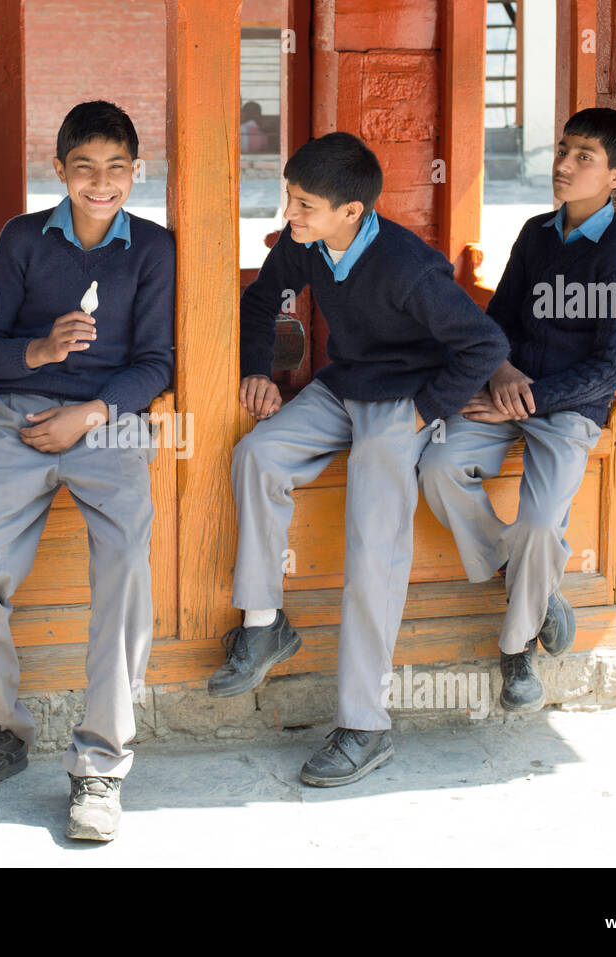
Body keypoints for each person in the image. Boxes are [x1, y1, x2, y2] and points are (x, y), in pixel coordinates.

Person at [207, 132, 509, 788]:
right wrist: (258, 370)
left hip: (404, 401)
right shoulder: (304, 243)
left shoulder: (409, 267)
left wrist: (426, 410)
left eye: (304, 204)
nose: (291, 214)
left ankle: (364, 725)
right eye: (290, 198)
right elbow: (260, 301)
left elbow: (484, 344)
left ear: (352, 212)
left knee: (373, 547)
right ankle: (263, 625)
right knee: (257, 453)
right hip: (344, 385)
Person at [0, 101, 175, 842]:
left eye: (116, 168)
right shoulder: (24, 240)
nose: (100, 183)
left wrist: (93, 413)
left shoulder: (153, 249)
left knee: (128, 562)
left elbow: (156, 362)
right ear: (60, 171)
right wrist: (39, 351)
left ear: (136, 172)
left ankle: (100, 759)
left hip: (107, 421)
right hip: (17, 416)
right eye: (84, 168)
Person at [417, 107, 616, 713]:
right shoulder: (534, 234)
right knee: (438, 465)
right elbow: (497, 323)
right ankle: (532, 584)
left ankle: (517, 648)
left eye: (585, 158)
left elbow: (613, 367)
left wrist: (530, 397)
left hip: (569, 407)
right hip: (508, 391)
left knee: (544, 522)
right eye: (564, 150)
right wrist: (500, 373)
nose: (564, 165)